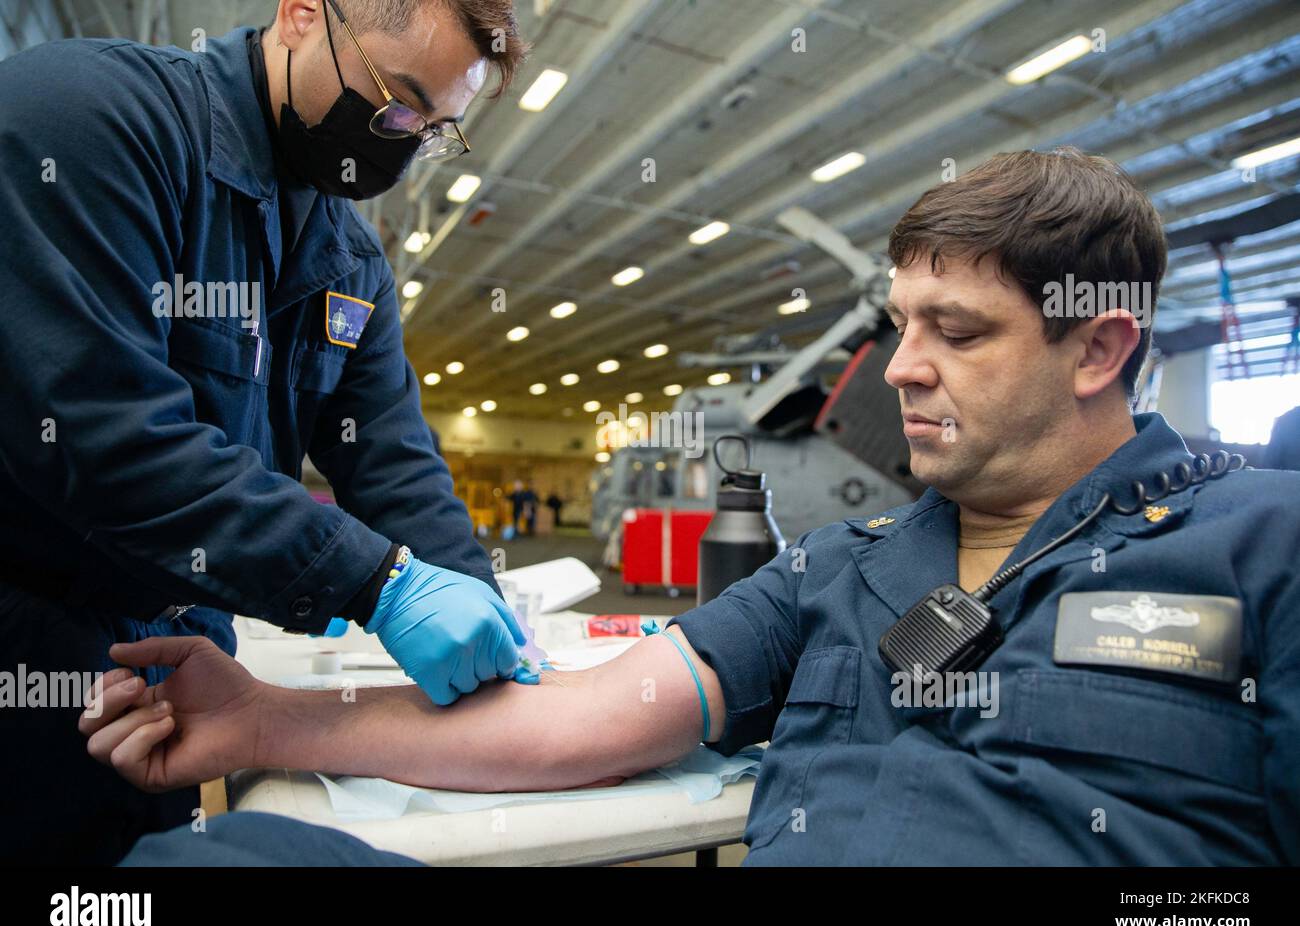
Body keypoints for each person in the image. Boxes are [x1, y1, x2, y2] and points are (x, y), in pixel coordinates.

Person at [82, 148, 1300, 866]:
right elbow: (571, 724)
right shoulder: (838, 569)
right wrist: (258, 721)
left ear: (1099, 348)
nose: (902, 368)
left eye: (958, 332)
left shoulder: (1260, 548)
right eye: (898, 327)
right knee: (211, 863)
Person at [0, 0, 531, 865]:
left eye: (433, 127)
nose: (401, 139)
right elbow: (104, 437)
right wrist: (380, 584)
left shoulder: (347, 265)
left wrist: (477, 602)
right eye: (396, 100)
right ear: (299, 15)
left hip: (165, 666)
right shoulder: (88, 123)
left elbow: (391, 459)